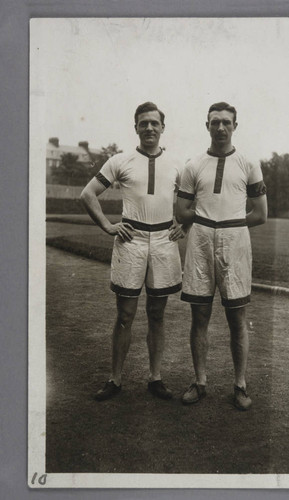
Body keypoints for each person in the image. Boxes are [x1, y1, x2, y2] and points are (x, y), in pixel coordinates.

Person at [80, 101, 186, 401]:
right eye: (143, 123)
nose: (149, 128)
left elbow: (196, 200)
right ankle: (115, 379)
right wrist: (107, 225)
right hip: (132, 240)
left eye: (154, 123)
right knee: (125, 314)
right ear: (136, 127)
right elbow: (87, 195)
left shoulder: (178, 164)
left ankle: (155, 378)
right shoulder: (120, 161)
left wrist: (186, 226)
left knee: (157, 313)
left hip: (164, 241)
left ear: (163, 127)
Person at [176, 102, 267, 410]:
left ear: (235, 126)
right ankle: (200, 382)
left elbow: (261, 214)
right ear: (207, 125)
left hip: (235, 241)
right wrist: (207, 224)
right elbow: (181, 211)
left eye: (226, 122)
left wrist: (229, 226)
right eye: (215, 122)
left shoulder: (248, 164)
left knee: (237, 317)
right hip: (200, 241)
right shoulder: (193, 165)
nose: (220, 128)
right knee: (199, 315)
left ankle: (240, 385)